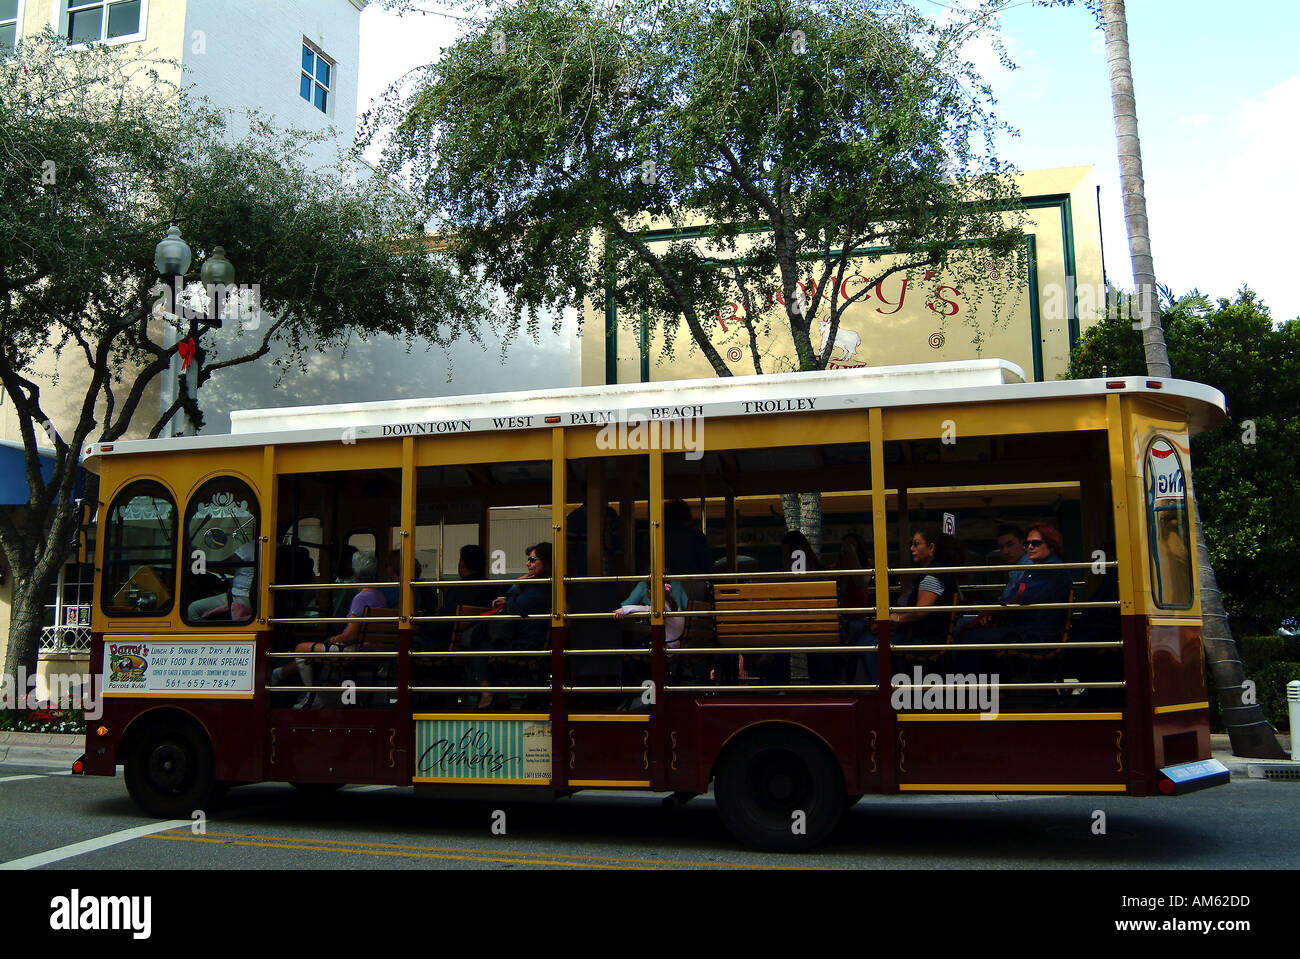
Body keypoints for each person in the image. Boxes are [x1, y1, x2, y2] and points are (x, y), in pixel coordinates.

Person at [271, 550, 387, 705]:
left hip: (352, 650)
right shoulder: (379, 596)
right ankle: (283, 676)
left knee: (301, 648)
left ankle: (311, 696)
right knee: (315, 650)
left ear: (355, 572)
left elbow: (350, 635)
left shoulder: (361, 598)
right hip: (371, 648)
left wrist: (332, 639)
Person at [958, 523, 1072, 660]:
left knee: (969, 639)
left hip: (1035, 635)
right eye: (1028, 544)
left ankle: (974, 681)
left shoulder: (1050, 568)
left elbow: (1020, 597)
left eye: (1036, 543)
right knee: (974, 635)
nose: (1030, 547)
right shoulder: (1042, 567)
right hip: (1029, 629)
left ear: (1051, 544)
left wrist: (994, 611)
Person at [462, 542, 552, 709]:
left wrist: (516, 585)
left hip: (526, 645)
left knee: (480, 643)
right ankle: (499, 695)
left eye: (532, 560)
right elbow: (519, 605)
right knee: (487, 642)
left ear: (545, 562)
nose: (528, 564)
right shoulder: (545, 588)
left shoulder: (539, 589)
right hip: (530, 641)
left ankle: (487, 694)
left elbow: (513, 609)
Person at [882, 527, 965, 649]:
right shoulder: (939, 572)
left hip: (925, 642)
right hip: (929, 637)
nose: (912, 548)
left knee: (874, 643)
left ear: (931, 548)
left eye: (916, 544)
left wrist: (897, 618)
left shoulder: (932, 577)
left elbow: (920, 612)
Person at [186, 531, 255, 623]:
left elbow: (224, 566)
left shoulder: (252, 546)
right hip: (253, 597)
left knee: (193, 609)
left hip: (241, 597)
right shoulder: (276, 548)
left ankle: (207, 637)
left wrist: (199, 563)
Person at [837, 533, 875, 684]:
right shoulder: (837, 567)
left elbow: (861, 581)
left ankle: (854, 681)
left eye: (852, 545)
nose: (847, 549)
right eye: (845, 546)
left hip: (858, 619)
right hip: (839, 618)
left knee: (856, 632)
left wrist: (852, 557)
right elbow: (842, 588)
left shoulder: (866, 567)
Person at [613, 579, 689, 646]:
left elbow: (648, 609)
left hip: (667, 645)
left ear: (650, 591)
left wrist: (625, 609)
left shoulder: (661, 603)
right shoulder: (671, 600)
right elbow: (686, 605)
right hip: (675, 640)